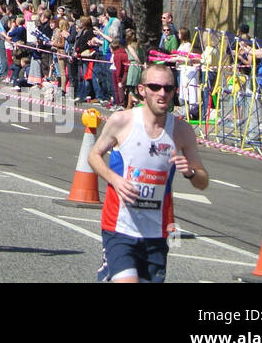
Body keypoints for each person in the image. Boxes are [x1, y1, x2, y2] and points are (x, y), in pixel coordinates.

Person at [88, 61, 209, 282]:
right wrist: (115, 179)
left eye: (168, 88)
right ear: (142, 90)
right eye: (155, 87)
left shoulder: (182, 131)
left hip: (157, 232)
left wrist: (191, 172)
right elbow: (94, 155)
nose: (162, 93)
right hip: (119, 227)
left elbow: (203, 181)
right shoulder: (122, 121)